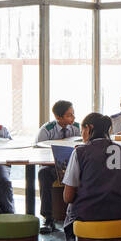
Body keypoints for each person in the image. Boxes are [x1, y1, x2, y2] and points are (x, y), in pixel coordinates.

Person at [59, 112, 121, 241]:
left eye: (82, 130)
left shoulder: (80, 152)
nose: (82, 135)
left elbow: (68, 196)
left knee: (72, 208)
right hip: (119, 211)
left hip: (88, 212)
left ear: (90, 128)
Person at [35, 99, 79, 233]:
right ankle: (48, 218)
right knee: (43, 173)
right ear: (58, 117)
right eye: (69, 115)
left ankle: (80, 214)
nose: (73, 118)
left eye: (73, 114)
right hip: (53, 166)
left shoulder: (77, 127)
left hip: (73, 165)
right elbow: (38, 152)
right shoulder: (46, 130)